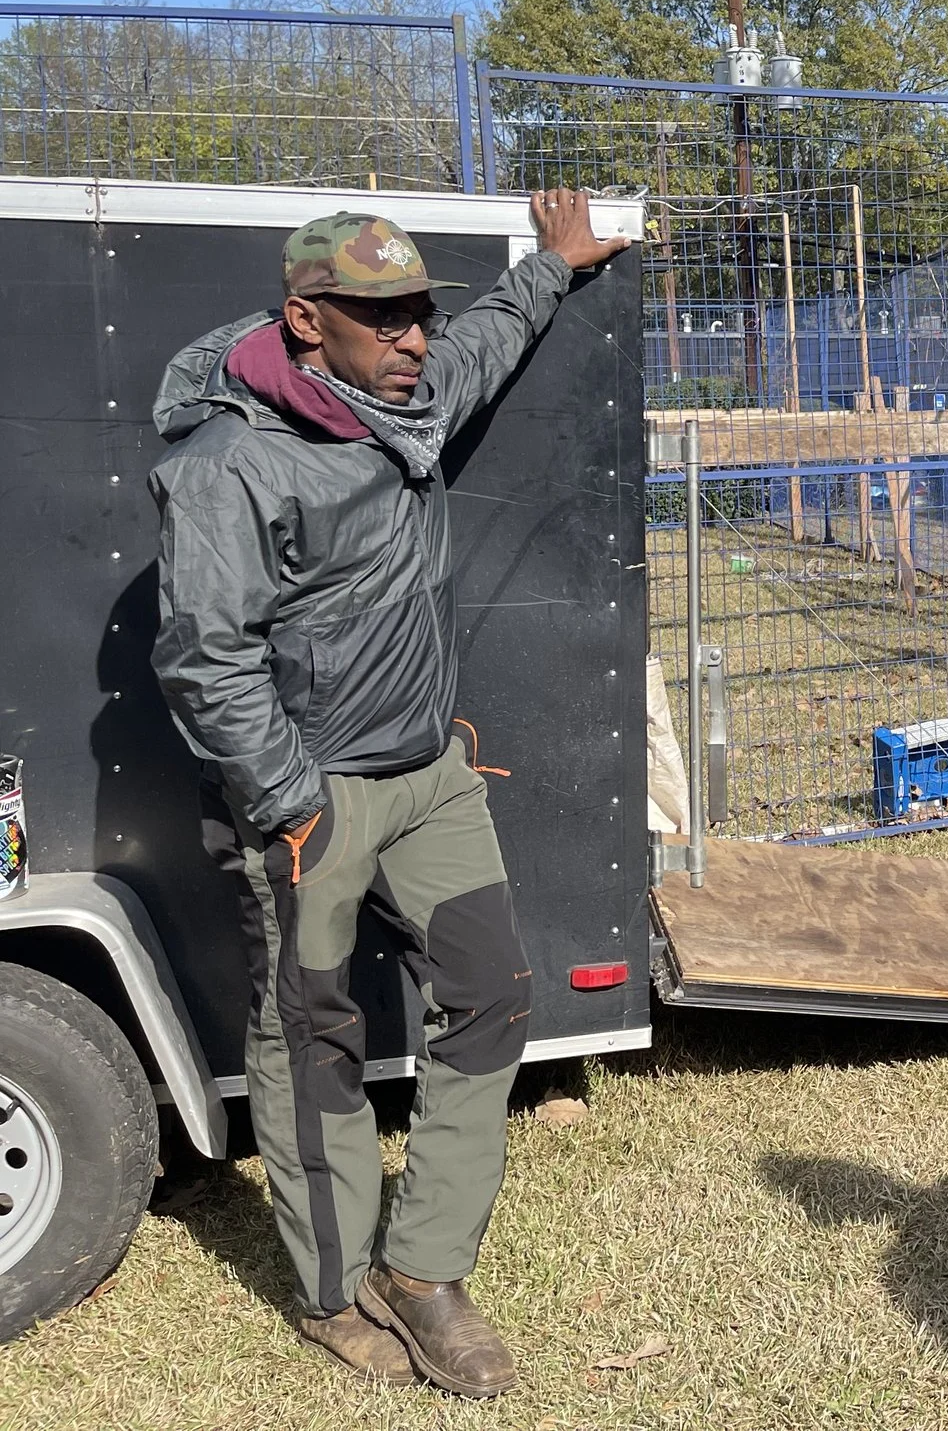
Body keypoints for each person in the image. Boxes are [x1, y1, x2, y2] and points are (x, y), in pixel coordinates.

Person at [151, 194, 629, 1396]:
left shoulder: (403, 403)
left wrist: (554, 267)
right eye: (385, 317)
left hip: (429, 782)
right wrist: (293, 800)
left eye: (420, 313)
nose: (415, 336)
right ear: (308, 320)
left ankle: (420, 1269)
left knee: (493, 994)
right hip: (313, 803)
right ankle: (330, 1292)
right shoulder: (227, 463)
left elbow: (486, 344)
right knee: (312, 1039)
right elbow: (205, 657)